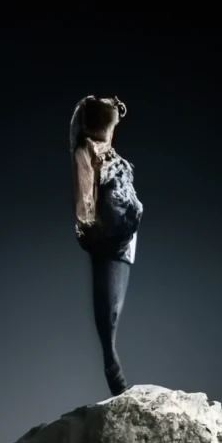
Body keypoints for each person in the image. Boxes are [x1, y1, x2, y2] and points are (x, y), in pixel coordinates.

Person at [69, 95, 143, 396]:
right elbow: (84, 196)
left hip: (125, 242)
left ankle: (115, 373)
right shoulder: (86, 151)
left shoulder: (111, 155)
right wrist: (88, 226)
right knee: (109, 313)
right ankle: (116, 376)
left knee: (113, 309)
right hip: (109, 242)